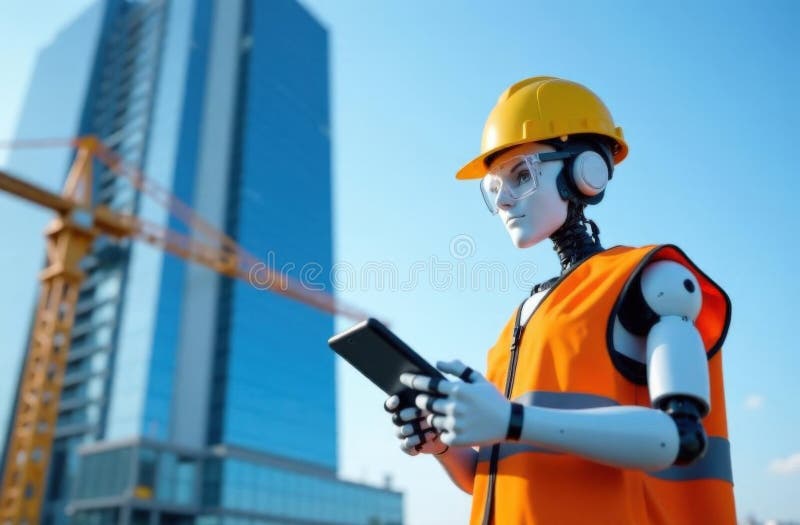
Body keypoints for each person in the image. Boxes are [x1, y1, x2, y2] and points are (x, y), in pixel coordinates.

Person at [383, 76, 735, 525]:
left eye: (521, 175)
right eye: (494, 186)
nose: (504, 200)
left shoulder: (652, 280)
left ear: (587, 170)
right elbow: (495, 476)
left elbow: (680, 438)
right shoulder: (519, 322)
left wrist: (512, 420)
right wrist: (443, 446)